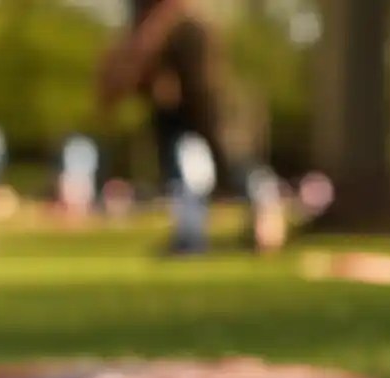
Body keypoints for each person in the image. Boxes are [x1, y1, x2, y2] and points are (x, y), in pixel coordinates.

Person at [99, 0, 282, 255]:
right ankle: (191, 233)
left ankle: (264, 219)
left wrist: (142, 44)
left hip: (208, 102)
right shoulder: (144, 17)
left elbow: (157, 29)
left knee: (235, 161)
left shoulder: (187, 25)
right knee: (182, 169)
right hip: (175, 107)